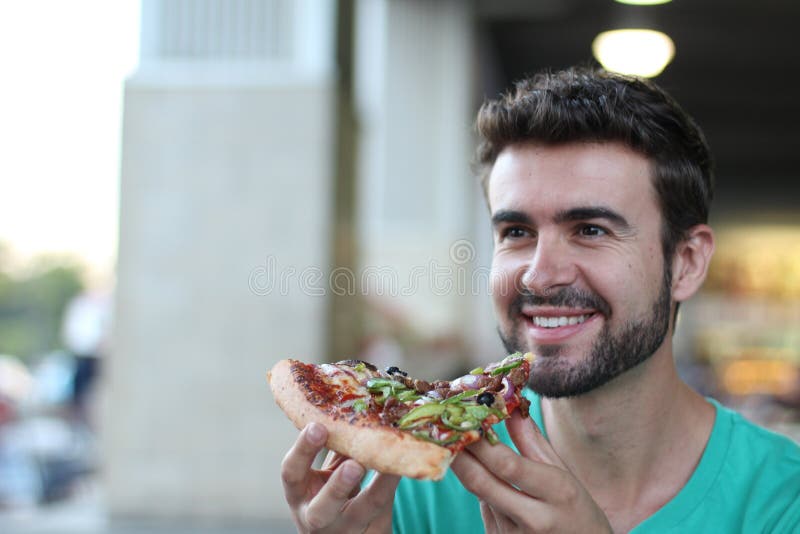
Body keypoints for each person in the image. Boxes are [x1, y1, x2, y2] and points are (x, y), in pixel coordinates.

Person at [278, 67, 800, 533]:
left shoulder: (783, 500)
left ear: (686, 262)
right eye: (517, 232)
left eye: (590, 229)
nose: (540, 275)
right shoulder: (416, 477)